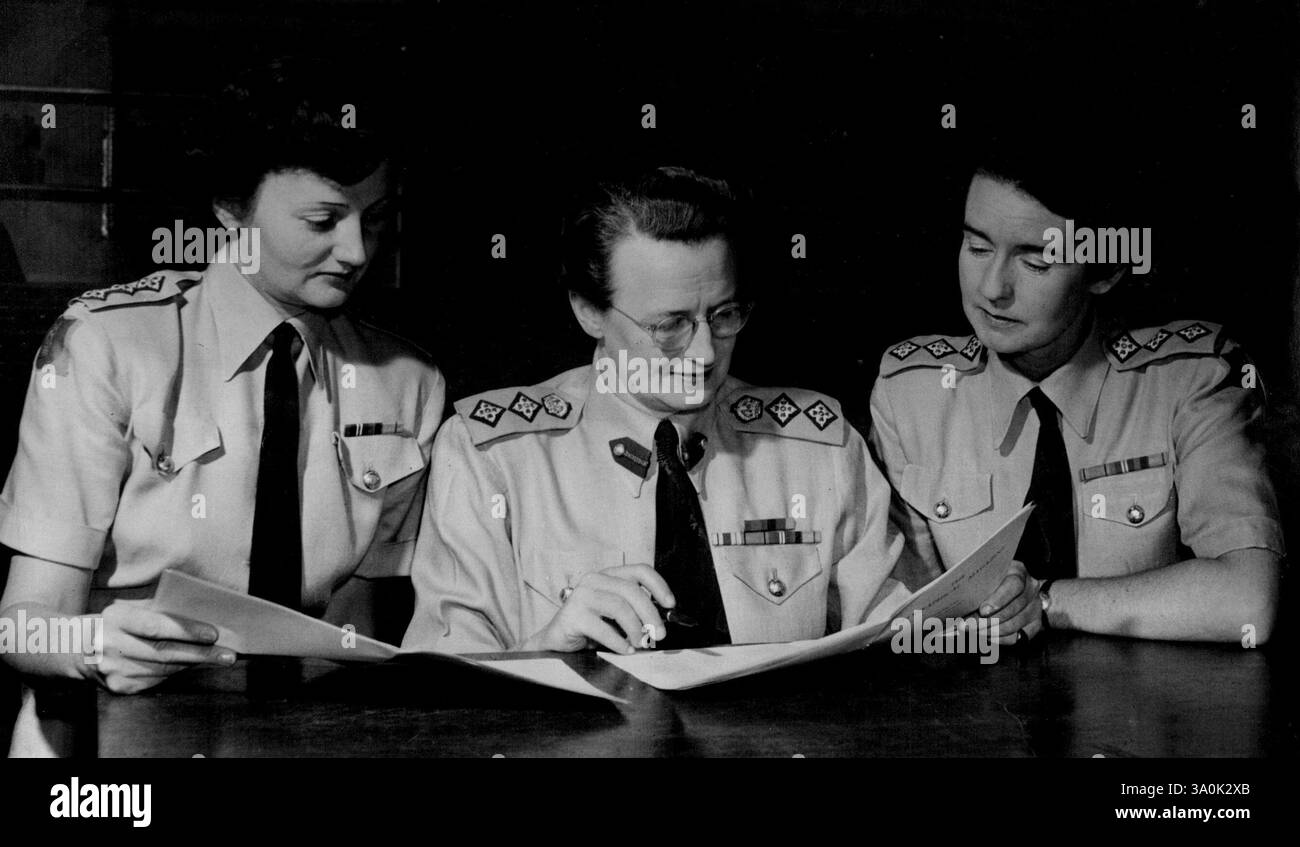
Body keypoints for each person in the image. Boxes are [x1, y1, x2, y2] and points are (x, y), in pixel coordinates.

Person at [0, 58, 445, 710]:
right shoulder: (104, 347)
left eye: (374, 218)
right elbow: (23, 621)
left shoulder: (407, 383)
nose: (356, 251)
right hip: (100, 727)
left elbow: (357, 633)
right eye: (323, 221)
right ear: (231, 212)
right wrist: (91, 643)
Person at [403, 166, 908, 654]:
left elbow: (897, 645)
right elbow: (449, 694)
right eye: (670, 326)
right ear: (589, 311)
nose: (706, 353)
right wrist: (544, 650)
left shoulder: (819, 450)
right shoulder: (491, 458)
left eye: (724, 315)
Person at [868, 137, 1284, 645]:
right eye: (976, 247)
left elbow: (1248, 603)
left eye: (1036, 262)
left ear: (1105, 271)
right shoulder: (911, 393)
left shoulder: (1191, 381)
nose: (992, 288)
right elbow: (902, 618)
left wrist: (1045, 601)